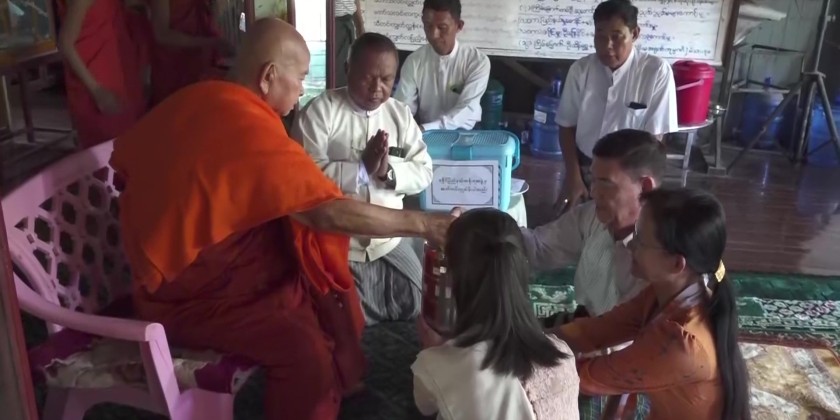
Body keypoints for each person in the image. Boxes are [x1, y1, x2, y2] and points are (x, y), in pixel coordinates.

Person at [111, 18, 455, 420]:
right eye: (300, 77)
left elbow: (129, 166)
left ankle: (343, 381)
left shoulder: (198, 97)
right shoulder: (249, 125)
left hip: (217, 259)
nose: (302, 90)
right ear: (269, 76)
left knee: (317, 280)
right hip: (190, 292)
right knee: (304, 345)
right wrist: (427, 225)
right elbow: (325, 209)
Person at [551, 187, 752, 420]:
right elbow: (598, 330)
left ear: (677, 264)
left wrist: (523, 353)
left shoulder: (685, 344)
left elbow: (587, 377)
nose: (631, 245)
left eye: (641, 241)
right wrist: (532, 337)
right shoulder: (664, 293)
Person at [294, 33, 433, 325]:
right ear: (347, 69)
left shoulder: (399, 115)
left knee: (420, 303)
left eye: (386, 80)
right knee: (342, 321)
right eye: (368, 78)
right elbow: (303, 178)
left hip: (390, 241)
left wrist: (387, 172)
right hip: (341, 243)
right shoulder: (320, 112)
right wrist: (359, 169)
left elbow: (424, 171)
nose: (377, 89)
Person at [413, 208, 580, 420]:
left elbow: (424, 404)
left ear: (455, 281)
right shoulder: (562, 355)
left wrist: (434, 351)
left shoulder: (444, 366)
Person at [523, 129, 664, 324]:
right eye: (593, 180)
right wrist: (482, 225)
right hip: (587, 326)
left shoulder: (661, 258)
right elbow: (538, 248)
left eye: (605, 183)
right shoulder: (591, 216)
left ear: (645, 188)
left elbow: (627, 335)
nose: (593, 192)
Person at [554, 0, 677, 214]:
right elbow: (566, 126)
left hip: (631, 171)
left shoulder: (656, 72)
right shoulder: (581, 70)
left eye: (616, 36)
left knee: (624, 234)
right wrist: (573, 177)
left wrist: (625, 186)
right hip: (585, 167)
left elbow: (653, 140)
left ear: (635, 33)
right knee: (572, 229)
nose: (606, 45)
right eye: (599, 36)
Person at [57, 0, 147, 149]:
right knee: (108, 149)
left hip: (118, 70)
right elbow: (66, 43)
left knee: (131, 145)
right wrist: (97, 90)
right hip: (97, 81)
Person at [392, 0, 490, 131]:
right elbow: (402, 108)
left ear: (459, 26)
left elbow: (466, 109)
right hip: (426, 134)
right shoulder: (414, 61)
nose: (433, 35)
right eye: (428, 26)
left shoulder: (476, 62)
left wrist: (425, 128)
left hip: (465, 135)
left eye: (442, 28)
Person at [147, 0, 232, 104]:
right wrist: (208, 43)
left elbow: (209, 17)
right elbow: (162, 34)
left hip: (201, 63)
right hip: (172, 65)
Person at [334, 0, 364, 87]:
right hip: (333, 23)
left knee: (345, 69)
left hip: (348, 22)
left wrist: (360, 29)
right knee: (336, 72)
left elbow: (355, 3)